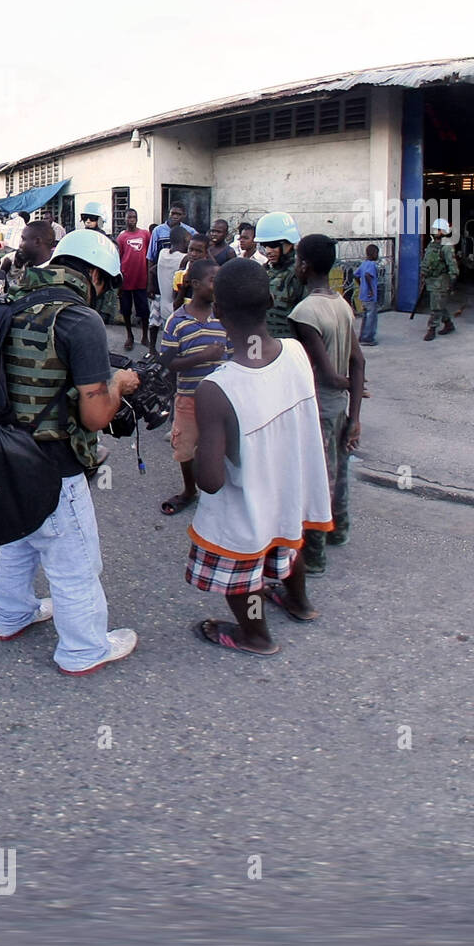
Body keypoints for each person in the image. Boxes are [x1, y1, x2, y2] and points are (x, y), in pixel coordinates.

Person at [0, 227, 140, 674]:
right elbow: (95, 417)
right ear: (93, 274)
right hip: (53, 463)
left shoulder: (14, 300)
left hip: (3, 450)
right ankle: (83, 649)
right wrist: (120, 383)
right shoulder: (79, 320)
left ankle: (10, 615)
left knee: (19, 538)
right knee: (74, 558)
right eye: (105, 284)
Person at [184, 258, 329, 656]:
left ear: (218, 312)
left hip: (247, 507)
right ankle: (298, 602)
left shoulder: (218, 387)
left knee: (242, 574)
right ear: (270, 300)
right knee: (287, 540)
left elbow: (210, 480)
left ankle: (255, 635)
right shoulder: (298, 352)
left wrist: (197, 441)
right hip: (288, 491)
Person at [287, 234, 364, 563]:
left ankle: (313, 557)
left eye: (296, 260)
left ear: (303, 265)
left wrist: (346, 384)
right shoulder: (340, 304)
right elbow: (358, 361)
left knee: (315, 480)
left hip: (315, 408)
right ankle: (339, 531)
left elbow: (330, 374)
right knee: (338, 471)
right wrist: (356, 414)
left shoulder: (305, 312)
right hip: (339, 409)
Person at [155, 251, 229, 518]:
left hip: (220, 399)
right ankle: (189, 490)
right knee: (185, 447)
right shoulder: (177, 320)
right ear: (195, 284)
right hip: (187, 396)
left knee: (220, 446)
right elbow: (168, 362)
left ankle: (219, 491)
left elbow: (232, 357)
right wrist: (202, 356)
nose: (218, 286)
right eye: (213, 281)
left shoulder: (224, 318)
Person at [113, 206, 154, 352]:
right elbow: (118, 259)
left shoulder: (145, 234)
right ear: (124, 219)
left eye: (133, 217)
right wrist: (118, 283)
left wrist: (150, 280)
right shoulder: (121, 237)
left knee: (144, 311)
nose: (131, 220)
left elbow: (150, 256)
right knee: (126, 310)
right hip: (126, 280)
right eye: (128, 217)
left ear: (137, 219)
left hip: (141, 280)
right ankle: (129, 336)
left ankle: (145, 336)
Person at [351, 243, 383, 347]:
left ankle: (362, 336)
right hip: (370, 296)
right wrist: (370, 290)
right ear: (373, 254)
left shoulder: (363, 263)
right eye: (377, 253)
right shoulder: (372, 265)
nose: (378, 255)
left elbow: (356, 275)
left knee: (365, 316)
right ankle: (368, 338)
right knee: (371, 317)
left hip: (363, 295)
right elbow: (367, 275)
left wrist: (361, 285)